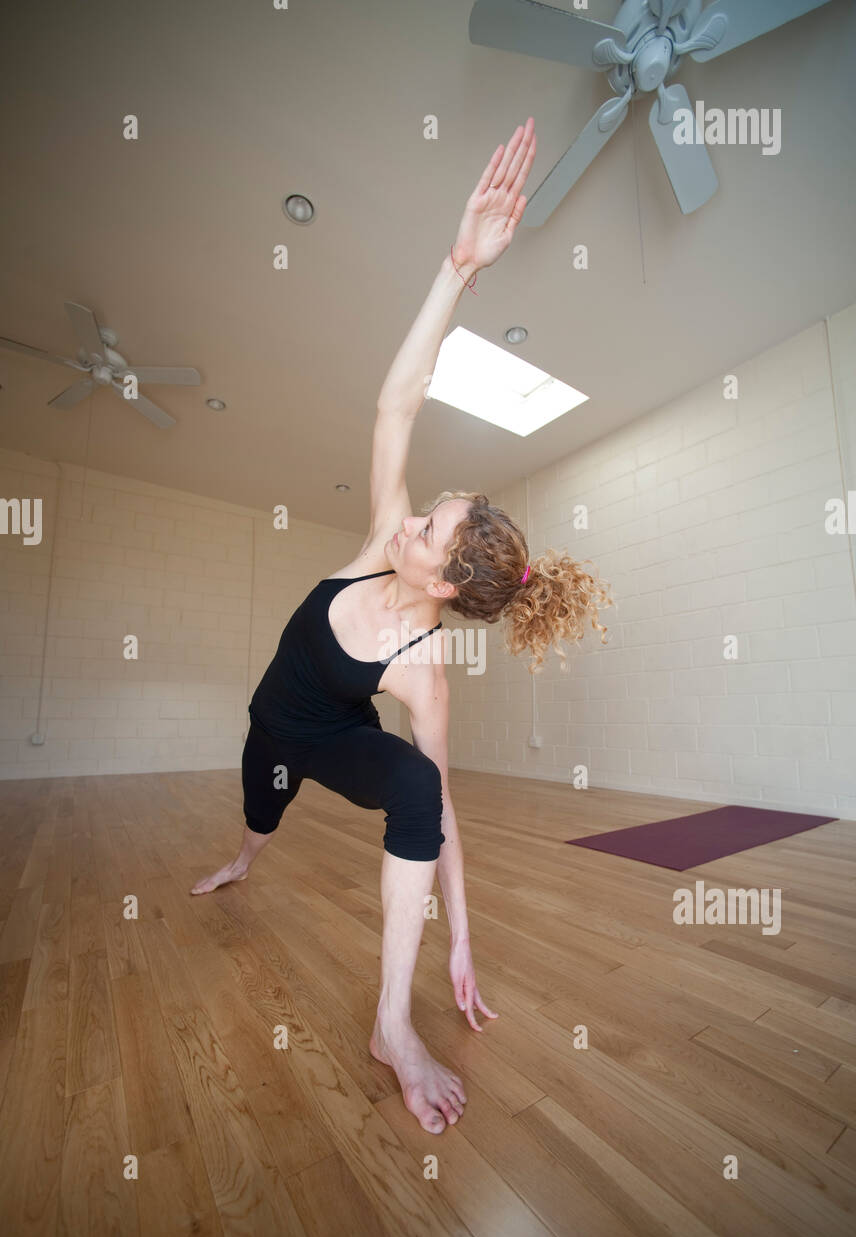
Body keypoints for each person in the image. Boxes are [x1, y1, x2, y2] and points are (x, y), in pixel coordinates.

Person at [191, 118, 612, 1134]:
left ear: (441, 582)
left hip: (340, 738)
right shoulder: (383, 533)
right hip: (274, 727)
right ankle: (248, 854)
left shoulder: (424, 666)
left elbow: (445, 818)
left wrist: (463, 942)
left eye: (429, 526)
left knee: (419, 782)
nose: (412, 517)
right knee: (259, 819)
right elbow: (397, 400)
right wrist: (455, 268)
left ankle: (392, 1021)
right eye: (429, 511)